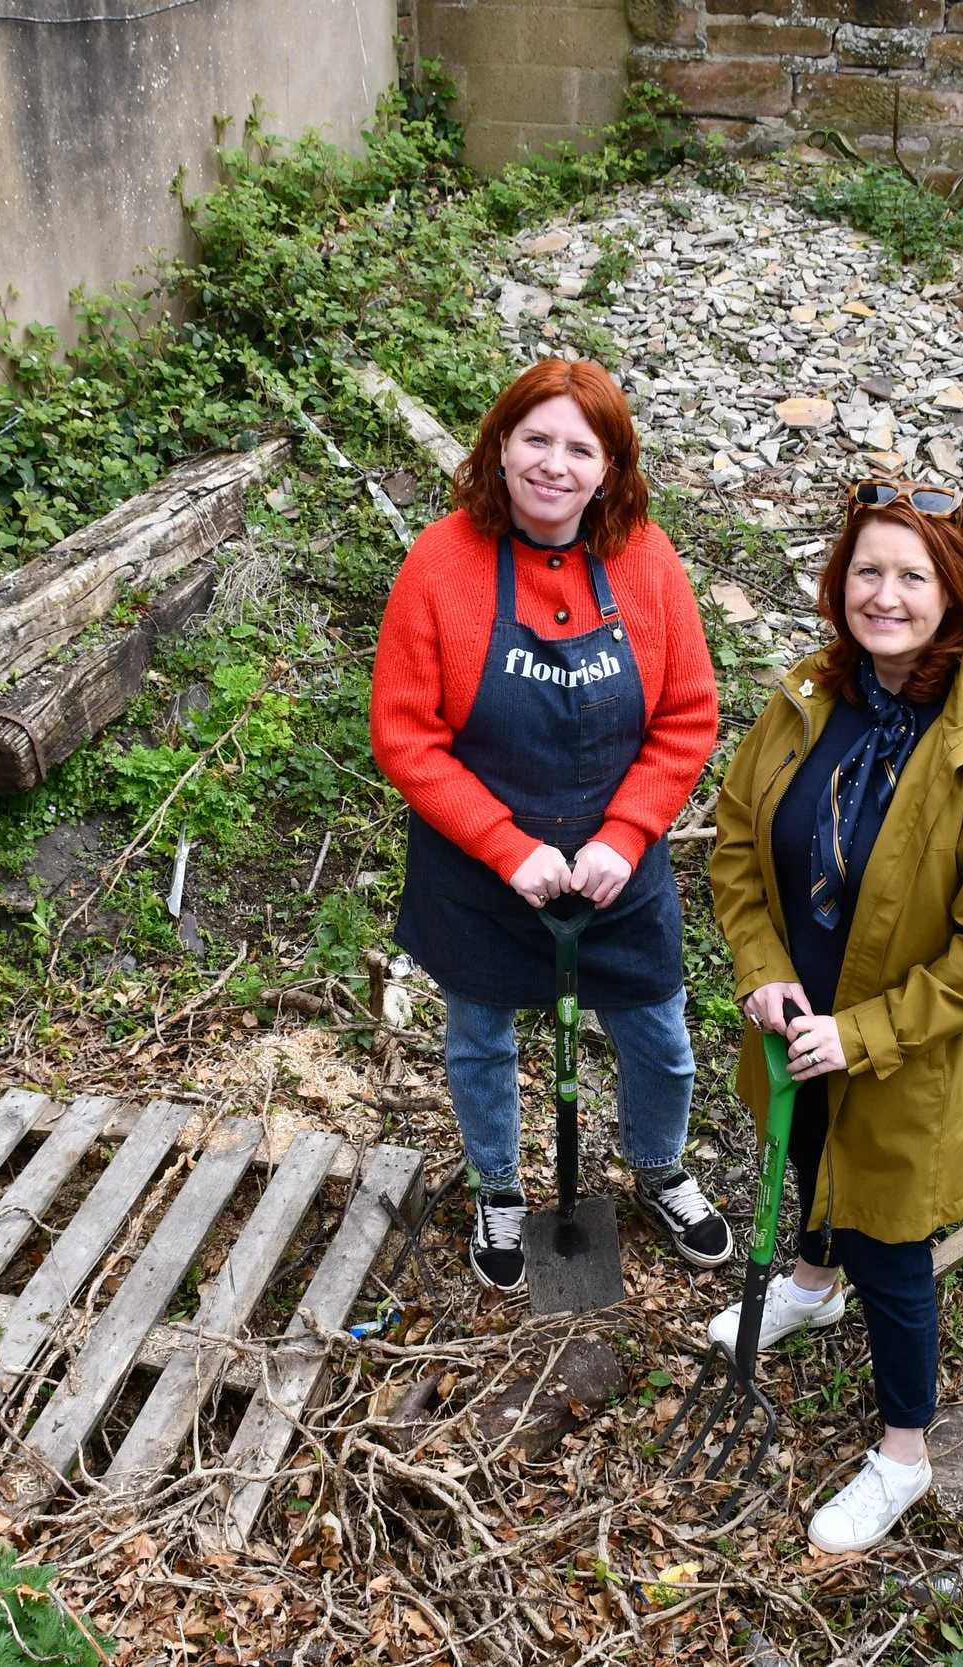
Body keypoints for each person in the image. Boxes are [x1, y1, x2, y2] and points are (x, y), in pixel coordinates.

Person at [708, 477, 963, 1554]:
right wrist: (763, 968)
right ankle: (811, 1282)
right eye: (868, 569)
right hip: (796, 1015)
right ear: (838, 579)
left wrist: (859, 1035)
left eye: (914, 574)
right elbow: (733, 839)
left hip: (908, 1050)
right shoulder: (812, 691)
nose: (886, 594)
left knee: (893, 1250)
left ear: (960, 594)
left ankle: (903, 1452)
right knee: (809, 1148)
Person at [371, 359, 729, 1295]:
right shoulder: (440, 562)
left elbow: (689, 714)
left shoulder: (646, 560)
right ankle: (498, 1185)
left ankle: (660, 1166)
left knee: (659, 1035)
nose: (555, 464)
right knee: (479, 1037)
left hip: (618, 856)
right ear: (499, 446)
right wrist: (507, 847)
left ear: (610, 467)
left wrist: (626, 834)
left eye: (581, 446)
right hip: (481, 863)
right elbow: (406, 736)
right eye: (536, 439)